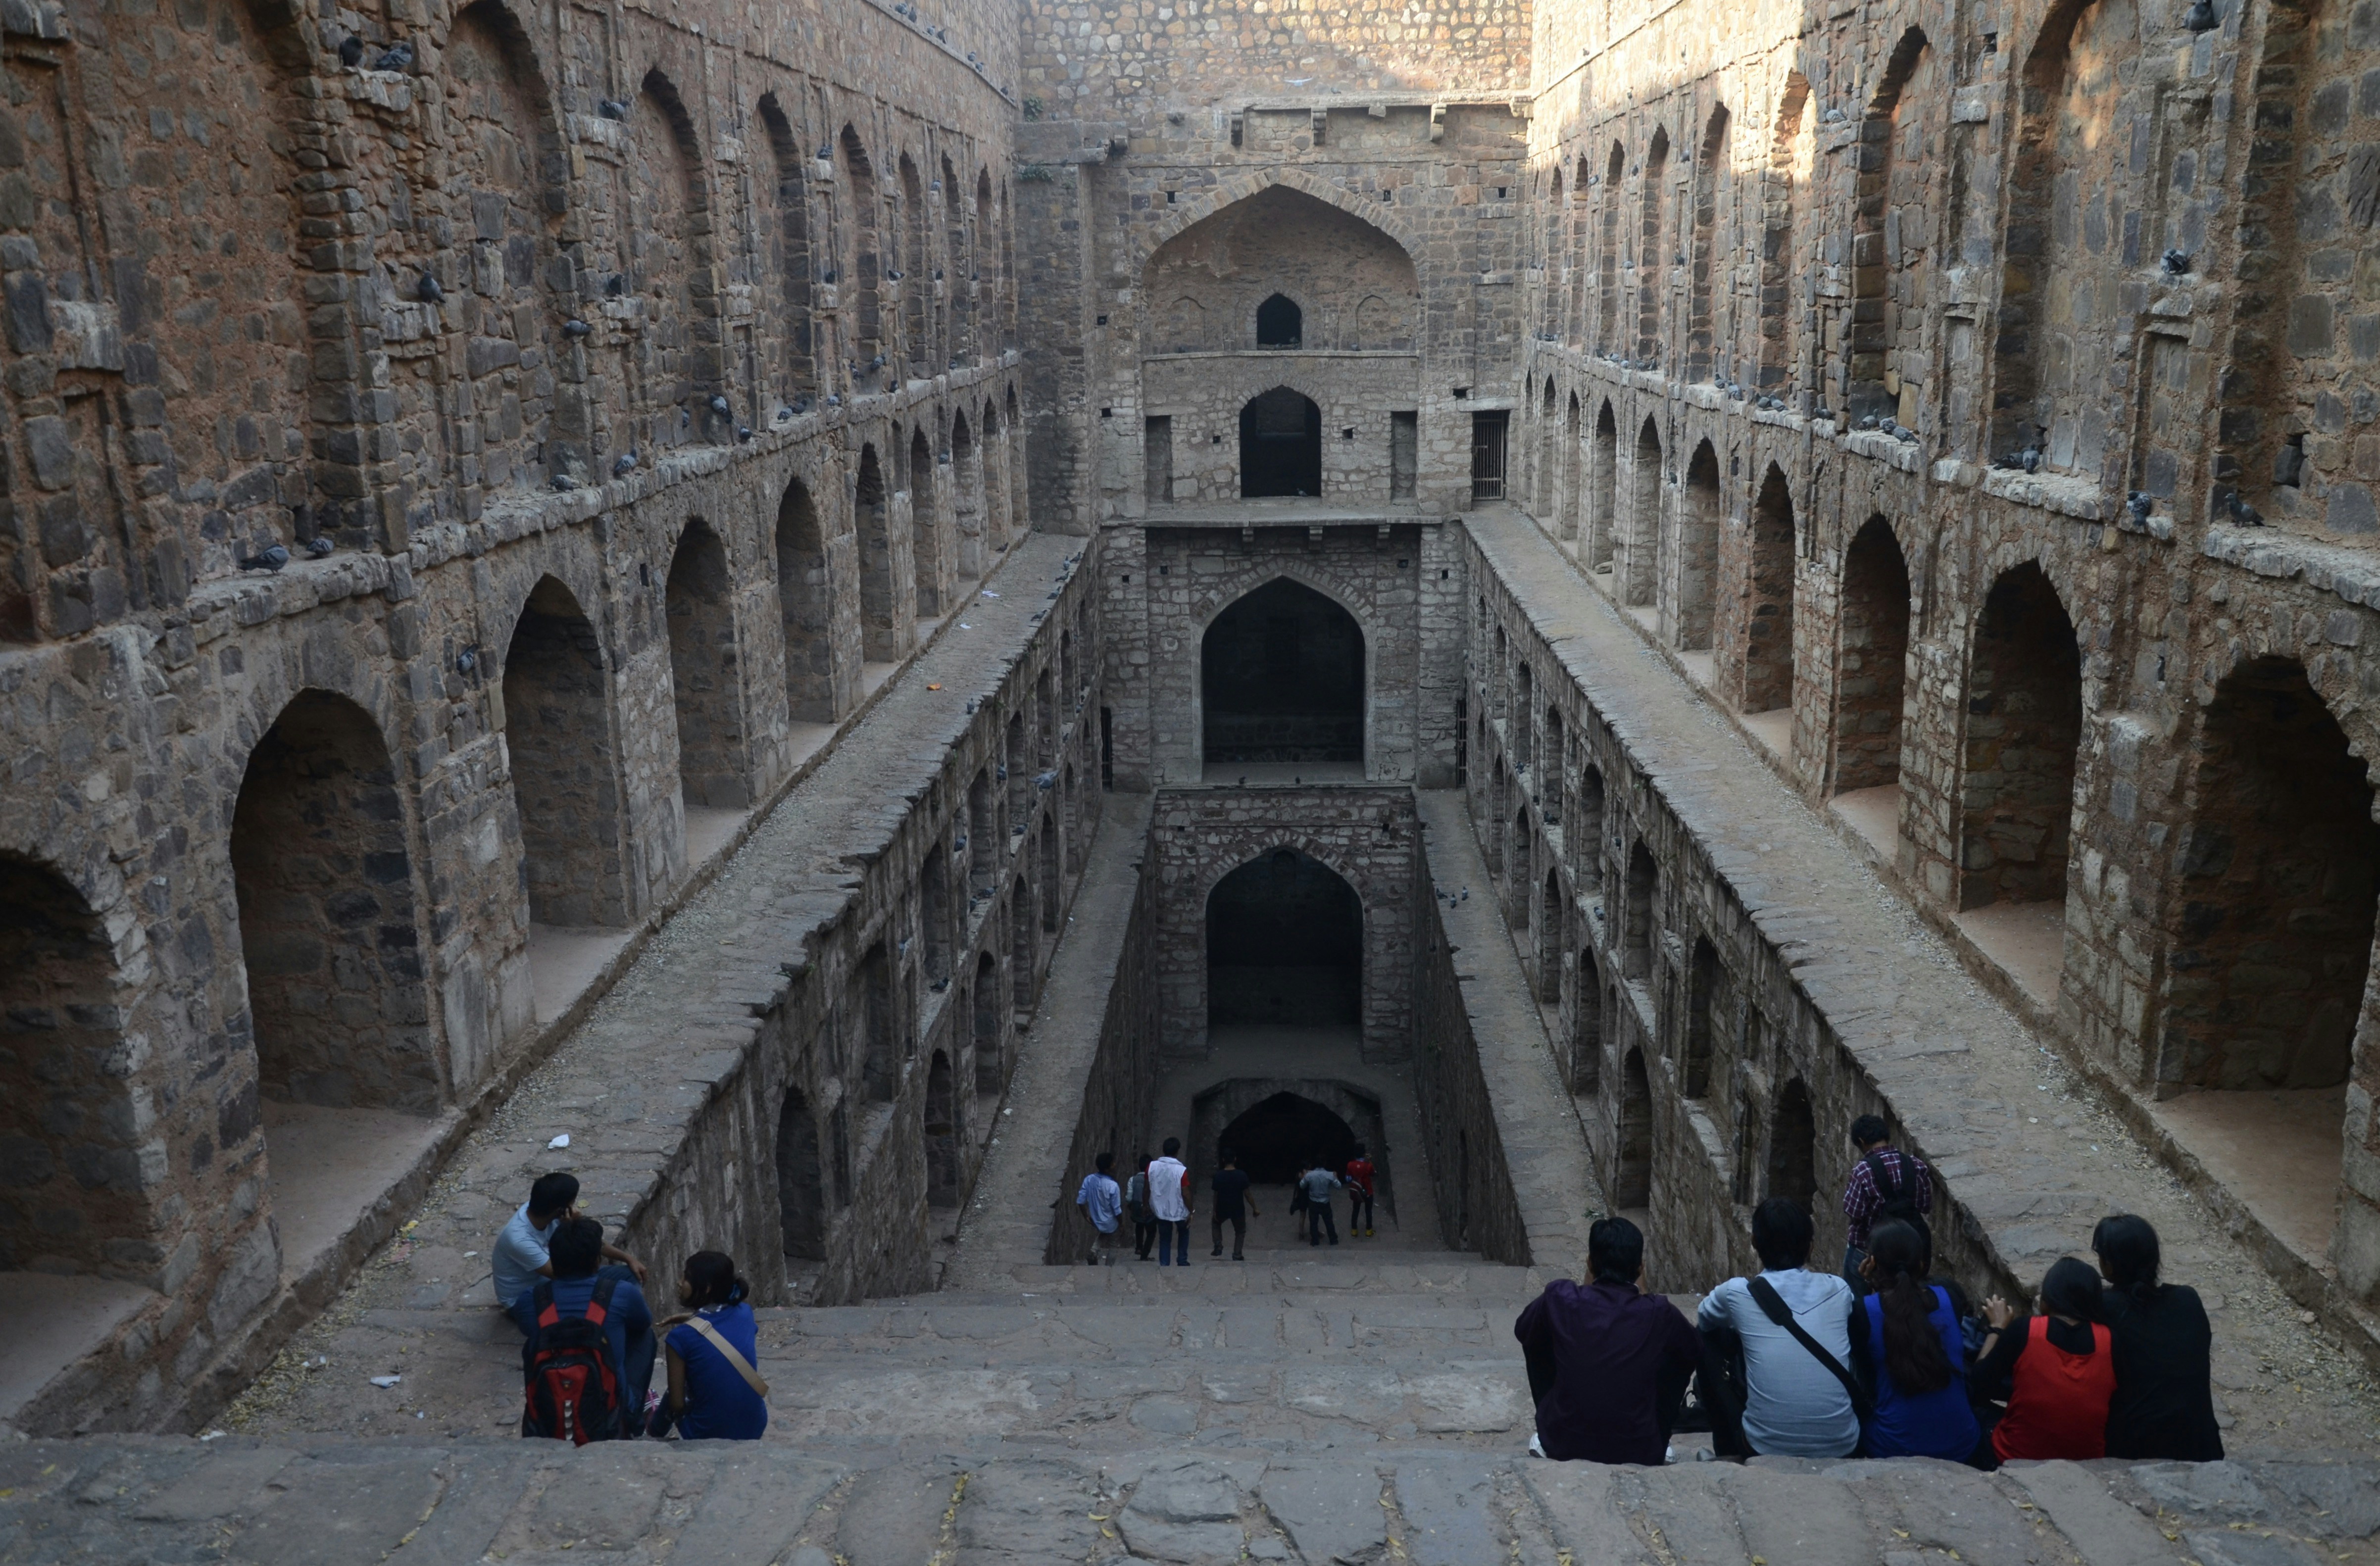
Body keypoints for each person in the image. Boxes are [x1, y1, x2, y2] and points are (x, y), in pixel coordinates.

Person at [1513, 1216, 1701, 1464]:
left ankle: (1552, 1424)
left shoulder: (1560, 1298)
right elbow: (1695, 1351)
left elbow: (1523, 1330)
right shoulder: (1659, 1312)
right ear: (1640, 1268)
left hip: (1562, 1442)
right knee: (1677, 1353)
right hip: (1642, 1447)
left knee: (1538, 1332)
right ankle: (1659, 1434)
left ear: (1589, 1264)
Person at [1696, 1197, 1862, 1459]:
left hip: (1765, 1445)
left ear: (1754, 1244)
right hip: (1843, 1443)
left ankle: (1726, 1449)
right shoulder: (1839, 1290)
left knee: (1708, 1338)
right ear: (1810, 1248)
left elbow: (1704, 1319)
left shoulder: (1737, 1293)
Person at [2091, 1214, 2224, 1461]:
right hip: (2201, 1445)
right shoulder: (2188, 1300)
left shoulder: (2103, 1308)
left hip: (2133, 1450)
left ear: (2108, 1265)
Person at [1850, 1218, 1983, 1463]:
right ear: (1922, 1264)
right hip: (1961, 1443)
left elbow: (1865, 1373)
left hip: (1892, 1445)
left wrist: (1866, 1285)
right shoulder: (1949, 1300)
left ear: (1873, 1263)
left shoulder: (1863, 1312)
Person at [515, 1217, 655, 1441]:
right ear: (596, 1262)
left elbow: (527, 1329)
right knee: (645, 1335)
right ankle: (633, 1415)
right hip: (609, 1408)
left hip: (549, 1409)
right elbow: (643, 1323)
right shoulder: (621, 1293)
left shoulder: (531, 1301)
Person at [1974, 1256, 2114, 1463]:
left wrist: (1996, 1329)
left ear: (2047, 1302)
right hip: (2087, 1461)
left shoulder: (2026, 1330)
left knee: (1971, 1408)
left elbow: (1978, 1384)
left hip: (2015, 1456)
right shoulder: (2110, 1341)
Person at [647, 1251, 767, 1441]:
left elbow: (677, 1405)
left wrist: (693, 1323)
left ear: (707, 1289)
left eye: (686, 1278)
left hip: (705, 1434)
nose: (680, 1283)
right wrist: (694, 1319)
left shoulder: (680, 1337)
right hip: (755, 1426)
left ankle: (654, 1430)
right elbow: (724, 1322)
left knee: (677, 1388)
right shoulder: (745, 1312)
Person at [493, 1172, 647, 1317]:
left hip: (557, 1280)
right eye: (572, 1203)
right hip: (527, 1298)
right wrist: (570, 1230)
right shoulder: (519, 1240)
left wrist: (628, 1259)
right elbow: (563, 1274)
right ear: (561, 1209)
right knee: (592, 1304)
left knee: (629, 1276)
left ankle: (629, 1316)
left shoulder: (547, 1212)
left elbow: (591, 1242)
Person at [1841, 1115, 1932, 1294]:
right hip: (1909, 1252)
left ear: (1861, 1141)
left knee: (1858, 1301)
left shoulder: (1863, 1171)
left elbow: (1854, 1212)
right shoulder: (1916, 1165)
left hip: (1868, 1252)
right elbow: (1925, 1206)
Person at [1148, 1138, 1192, 1266]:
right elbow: (1186, 1193)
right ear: (1177, 1152)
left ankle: (1165, 1264)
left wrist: (1146, 1205)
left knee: (1165, 1238)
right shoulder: (1181, 1171)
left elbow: (1147, 1188)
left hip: (1160, 1208)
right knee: (1184, 1232)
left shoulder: (1152, 1167)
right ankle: (1182, 1260)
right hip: (1179, 1208)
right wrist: (1191, 1210)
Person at [1076, 1151, 1123, 1264]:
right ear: (1108, 1169)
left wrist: (1086, 1216)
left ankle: (1094, 1250)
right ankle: (1109, 1268)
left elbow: (1081, 1201)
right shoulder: (1113, 1186)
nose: (1115, 1165)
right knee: (1113, 1244)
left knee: (1104, 1233)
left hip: (1096, 1220)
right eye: (1113, 1164)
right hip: (1111, 1222)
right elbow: (1117, 1210)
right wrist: (1122, 1224)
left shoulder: (1089, 1179)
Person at [1210, 1153, 1259, 1260]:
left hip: (1222, 1207)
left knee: (1216, 1223)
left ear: (1223, 1160)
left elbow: (1216, 1195)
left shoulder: (1218, 1175)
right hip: (1238, 1208)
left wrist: (1215, 1210)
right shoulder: (1241, 1175)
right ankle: (1237, 1254)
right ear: (1235, 1159)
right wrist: (1255, 1208)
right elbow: (1247, 1194)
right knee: (1240, 1231)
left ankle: (1218, 1244)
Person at [1297, 1158, 1342, 1246]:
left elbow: (1302, 1186)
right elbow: (1339, 1186)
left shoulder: (1310, 1176)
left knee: (1313, 1223)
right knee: (1329, 1222)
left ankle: (1315, 1241)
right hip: (1325, 1202)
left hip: (1313, 1202)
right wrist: (1336, 1177)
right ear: (1325, 1164)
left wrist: (1306, 1175)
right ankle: (1333, 1240)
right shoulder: (1329, 1175)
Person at [1125, 1153, 1158, 1261]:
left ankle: (1139, 1247)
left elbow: (1129, 1198)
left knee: (1139, 1225)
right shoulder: (1154, 1180)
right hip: (1149, 1209)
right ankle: (1145, 1255)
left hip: (1137, 1209)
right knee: (1151, 1232)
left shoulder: (1133, 1179)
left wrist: (1132, 1206)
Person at [1344, 1144, 1377, 1238]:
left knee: (1356, 1210)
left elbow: (1347, 1178)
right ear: (1364, 1154)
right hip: (1368, 1191)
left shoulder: (1350, 1165)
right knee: (1368, 1211)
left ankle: (1354, 1231)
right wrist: (1369, 1160)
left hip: (1357, 1190)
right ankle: (1368, 1231)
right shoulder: (1368, 1166)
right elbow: (1374, 1173)